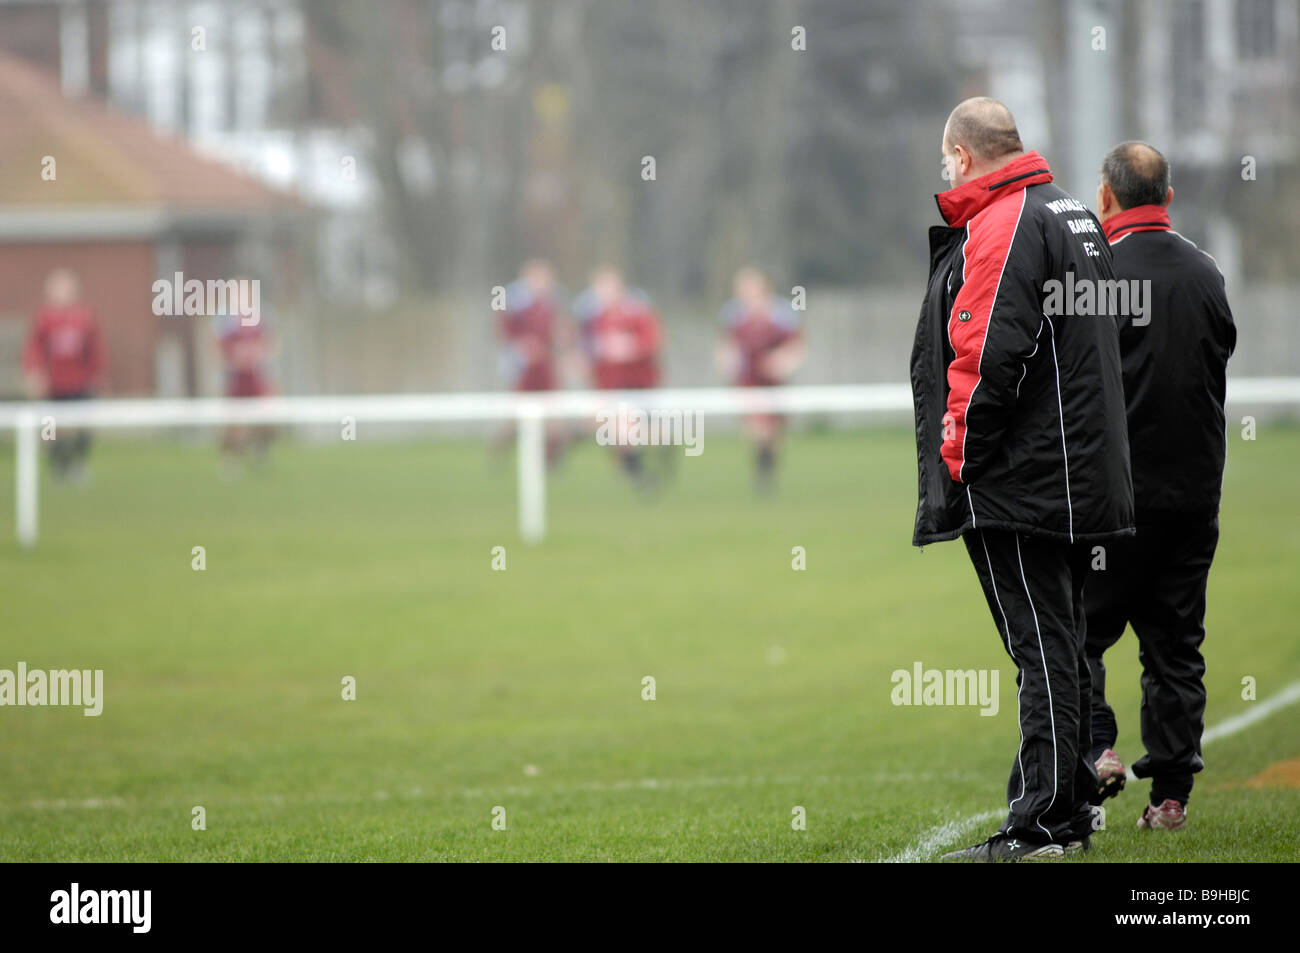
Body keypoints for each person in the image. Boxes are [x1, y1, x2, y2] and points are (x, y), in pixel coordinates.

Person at [909, 97, 1134, 861]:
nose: (945, 172)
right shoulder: (1071, 211)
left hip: (1025, 482)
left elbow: (987, 354)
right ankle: (1066, 808)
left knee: (1041, 649)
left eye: (948, 159)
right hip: (1076, 475)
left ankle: (1040, 826)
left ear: (965, 155)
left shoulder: (1006, 220)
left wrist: (959, 459)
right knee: (1060, 646)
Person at [1085, 142, 1236, 831]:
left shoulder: (1096, 272)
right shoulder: (1206, 272)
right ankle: (1170, 795)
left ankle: (1097, 748)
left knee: (1078, 633)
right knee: (1176, 647)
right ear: (1167, 198)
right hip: (1192, 499)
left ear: (1107, 198)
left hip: (1111, 501)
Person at [573, 265, 666, 487]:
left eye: (610, 287)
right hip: (608, 384)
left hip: (637, 383)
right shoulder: (593, 319)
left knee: (631, 430)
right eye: (600, 288)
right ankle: (636, 473)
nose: (605, 293)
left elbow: (654, 341)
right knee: (614, 428)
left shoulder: (637, 313)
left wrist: (630, 347)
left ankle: (637, 468)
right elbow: (584, 349)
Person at [716, 267, 804, 493]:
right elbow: (726, 345)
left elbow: (796, 345)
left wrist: (782, 362)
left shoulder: (781, 313)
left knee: (773, 430)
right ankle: (763, 473)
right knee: (755, 427)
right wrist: (728, 363)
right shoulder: (733, 314)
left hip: (774, 381)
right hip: (748, 380)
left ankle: (768, 467)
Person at [22, 268, 106, 483]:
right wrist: (35, 373)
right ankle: (57, 466)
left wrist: (97, 375)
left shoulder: (84, 318)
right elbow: (34, 350)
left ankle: (78, 463)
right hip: (54, 386)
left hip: (79, 384)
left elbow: (95, 350)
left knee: (84, 426)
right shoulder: (44, 319)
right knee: (50, 429)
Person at [494, 259, 570, 467]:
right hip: (524, 369)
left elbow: (561, 332)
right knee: (515, 414)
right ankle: (499, 453)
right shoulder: (514, 303)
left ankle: (550, 461)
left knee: (554, 418)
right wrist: (522, 347)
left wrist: (560, 346)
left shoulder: (554, 303)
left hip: (545, 368)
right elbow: (503, 331)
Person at [214, 295, 276, 478]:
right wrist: (233, 358)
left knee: (269, 415)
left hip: (256, 378)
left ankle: (259, 451)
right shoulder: (226, 320)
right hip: (236, 379)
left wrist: (258, 353)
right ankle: (230, 459)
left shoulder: (260, 318)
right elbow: (216, 347)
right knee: (234, 424)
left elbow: (271, 342)